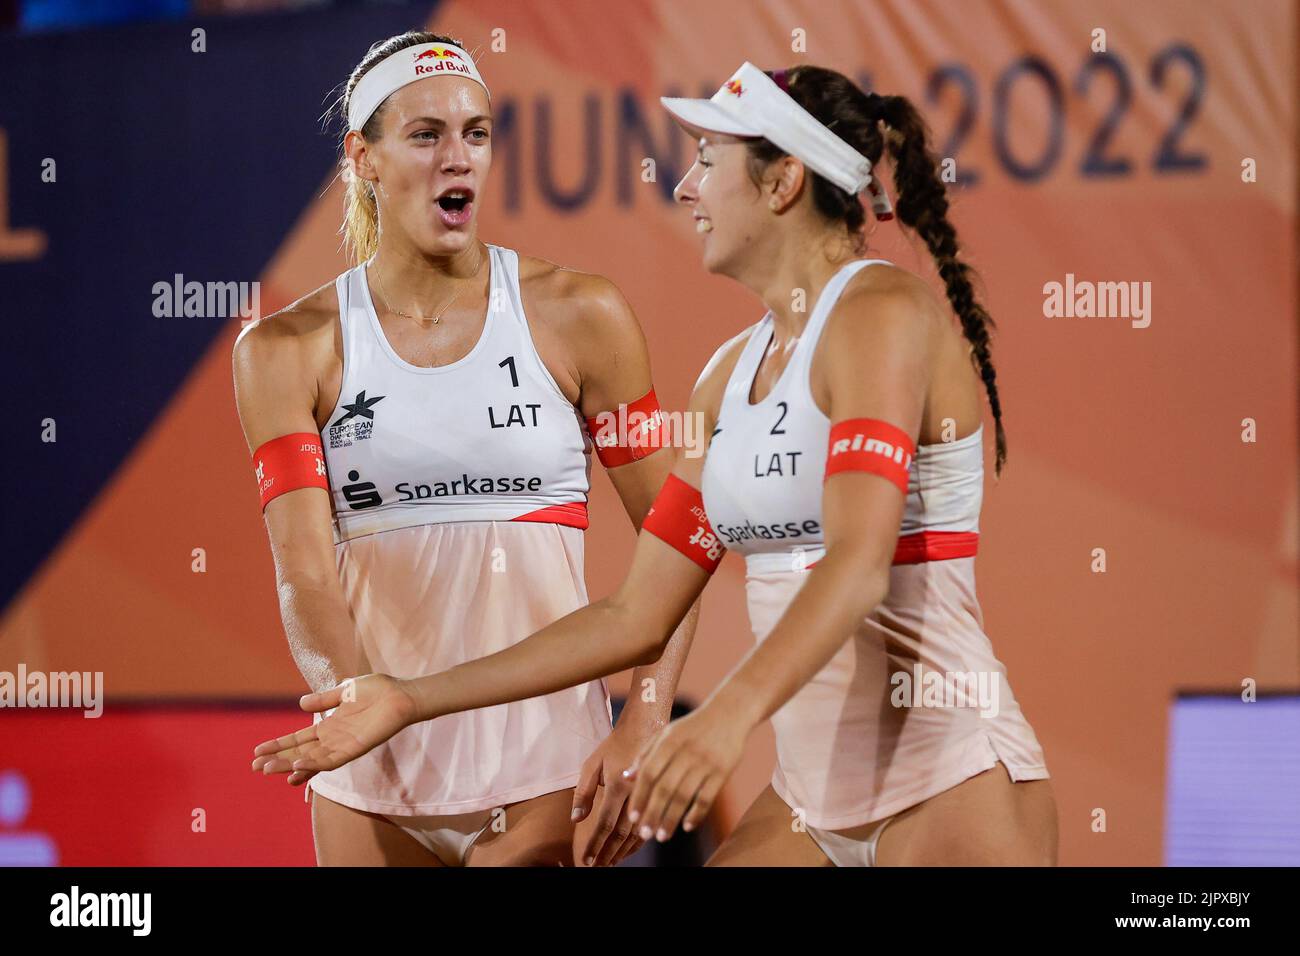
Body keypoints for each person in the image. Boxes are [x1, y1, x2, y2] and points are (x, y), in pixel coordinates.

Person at [252, 60, 1057, 866]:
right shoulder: (725, 378)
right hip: (813, 803)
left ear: (781, 185)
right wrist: (406, 698)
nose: (685, 188)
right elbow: (635, 617)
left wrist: (720, 718)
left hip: (952, 775)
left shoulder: (882, 311)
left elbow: (856, 566)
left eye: (708, 161)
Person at [233, 31, 700, 867]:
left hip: (545, 770)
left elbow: (683, 544)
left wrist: (643, 721)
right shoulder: (284, 348)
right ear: (364, 158)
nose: (460, 159)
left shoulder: (581, 314)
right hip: (372, 780)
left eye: (476, 133)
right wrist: (361, 711)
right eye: (426, 135)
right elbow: (303, 574)